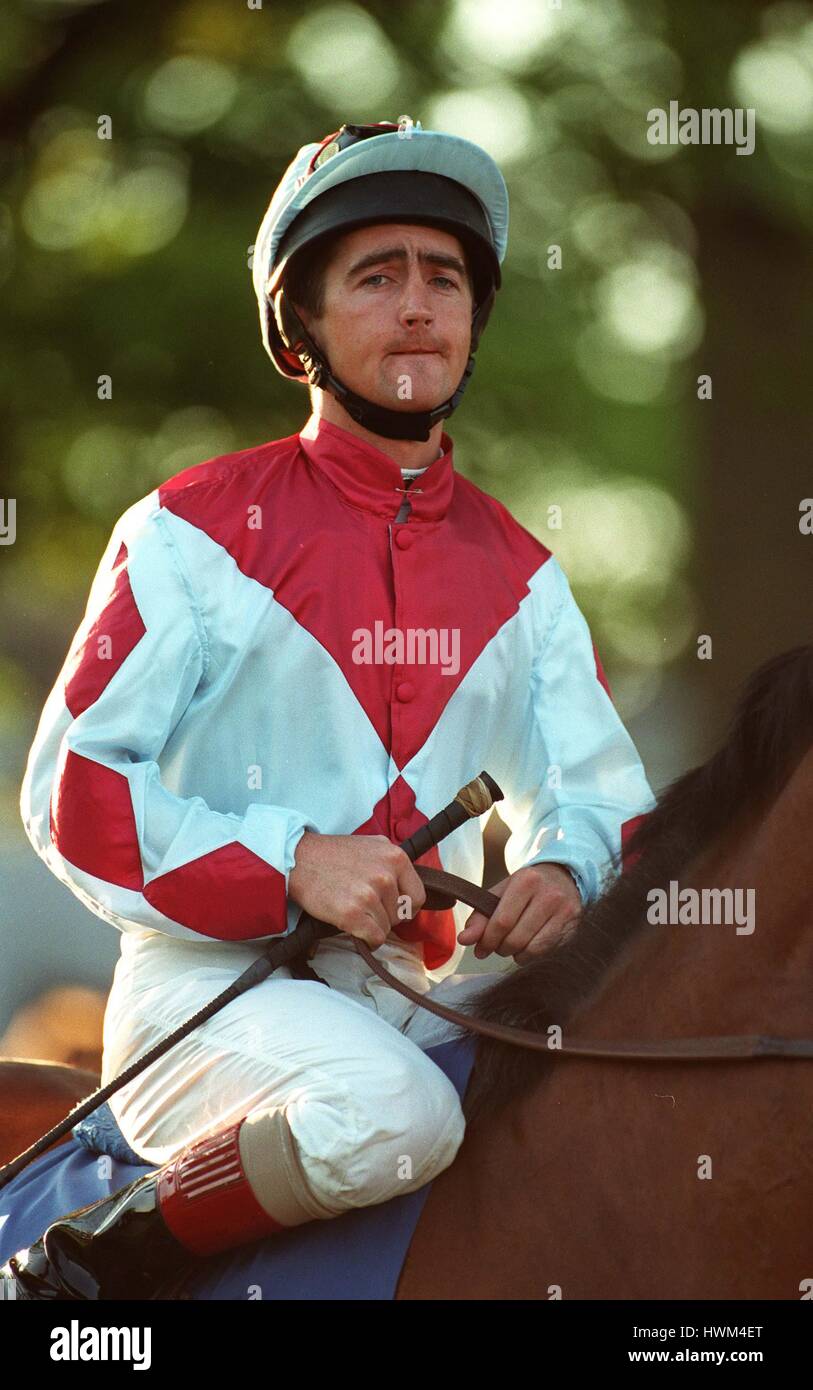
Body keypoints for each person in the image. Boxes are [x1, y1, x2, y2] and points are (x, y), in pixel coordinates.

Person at [2, 118, 656, 1299]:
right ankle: (78, 1264)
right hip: (203, 994)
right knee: (390, 1112)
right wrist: (292, 863)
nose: (417, 304)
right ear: (300, 325)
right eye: (376, 273)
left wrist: (561, 870)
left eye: (443, 275)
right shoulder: (186, 531)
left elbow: (602, 793)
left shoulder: (528, 576)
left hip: (424, 991)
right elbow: (69, 790)